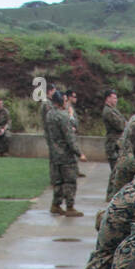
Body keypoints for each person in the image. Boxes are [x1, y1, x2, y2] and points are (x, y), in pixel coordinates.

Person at [44, 90, 83, 218]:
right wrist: (79, 153)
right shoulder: (63, 116)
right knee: (70, 181)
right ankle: (70, 207)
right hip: (66, 155)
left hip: (55, 154)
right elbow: (69, 137)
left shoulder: (49, 114)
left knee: (58, 182)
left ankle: (56, 204)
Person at [102, 89, 126, 176]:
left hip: (117, 143)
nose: (116, 100)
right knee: (115, 173)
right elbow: (120, 126)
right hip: (113, 144)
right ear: (108, 98)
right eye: (114, 98)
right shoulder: (108, 111)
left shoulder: (113, 110)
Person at [64, 89, 88, 177]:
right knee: (72, 153)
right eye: (74, 97)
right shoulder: (67, 107)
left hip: (73, 132)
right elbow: (67, 119)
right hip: (70, 132)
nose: (76, 98)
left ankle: (76, 171)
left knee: (74, 154)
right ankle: (73, 172)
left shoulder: (70, 106)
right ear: (69, 97)